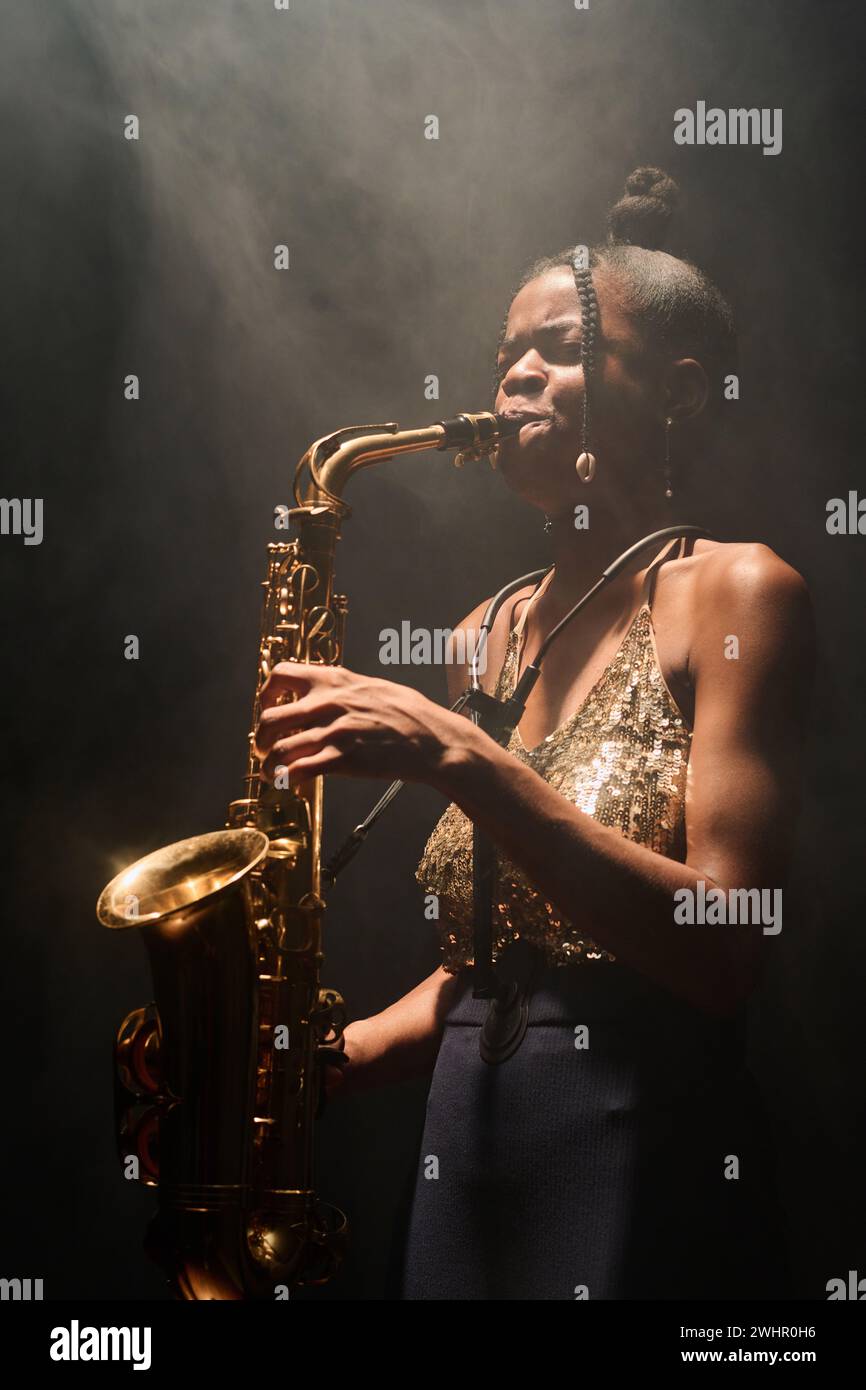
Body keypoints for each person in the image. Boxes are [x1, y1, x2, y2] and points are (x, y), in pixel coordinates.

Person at [254, 167, 814, 1300]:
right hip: (464, 1137)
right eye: (505, 350)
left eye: (557, 348)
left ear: (678, 392)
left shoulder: (739, 591)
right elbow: (488, 968)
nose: (510, 376)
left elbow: (724, 946)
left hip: (638, 1138)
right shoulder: (482, 634)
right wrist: (330, 1057)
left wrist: (460, 754)